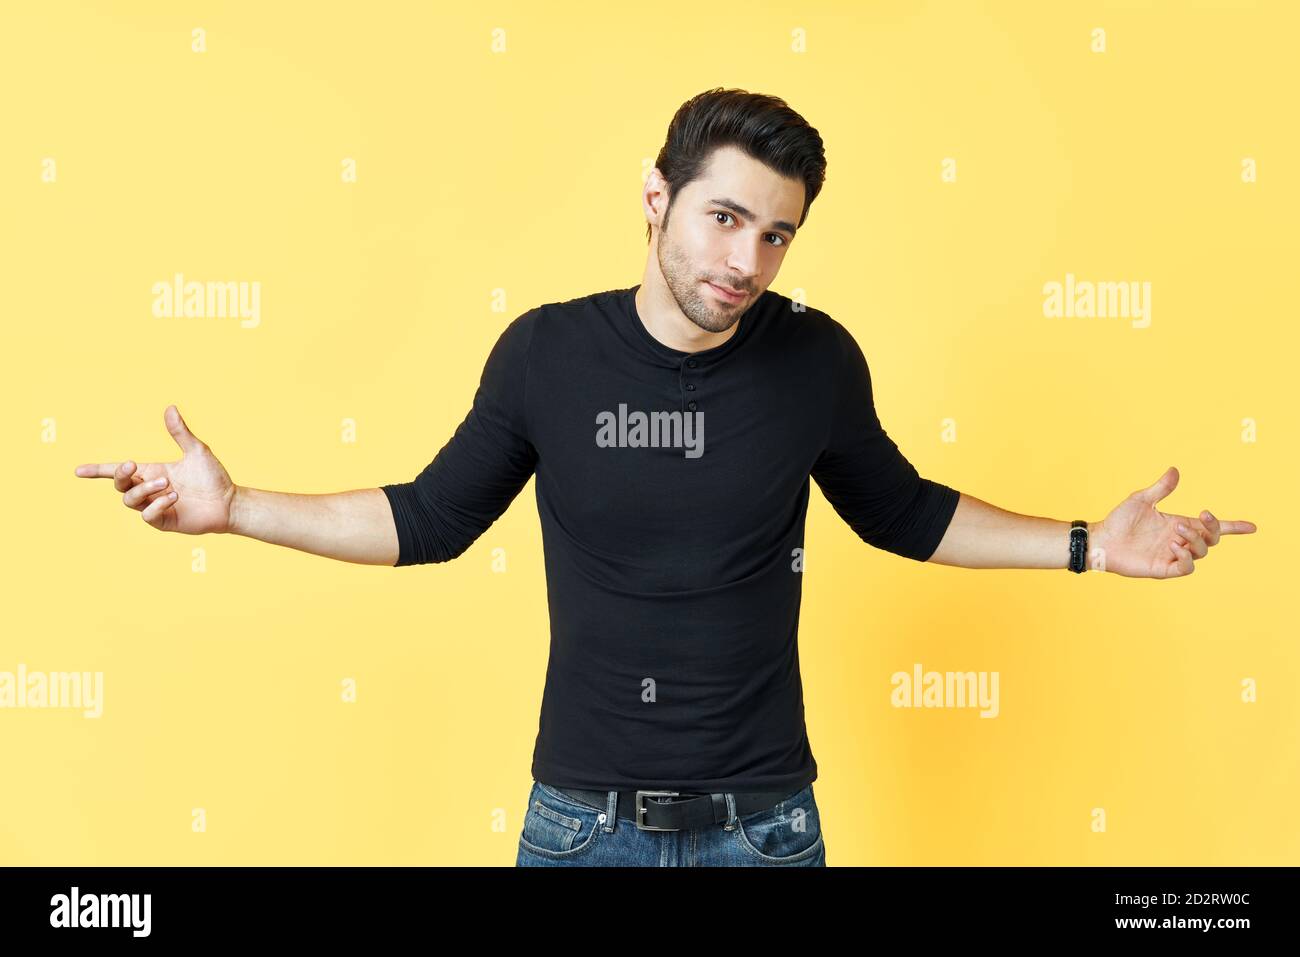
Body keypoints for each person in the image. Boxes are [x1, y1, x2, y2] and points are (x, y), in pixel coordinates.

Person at [75, 88, 1257, 867]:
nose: (747, 260)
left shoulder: (813, 360)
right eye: (725, 218)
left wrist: (1090, 546)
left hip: (767, 830)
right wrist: (234, 510)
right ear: (656, 201)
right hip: (579, 828)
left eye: (777, 233)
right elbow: (428, 521)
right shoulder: (544, 352)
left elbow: (901, 514)